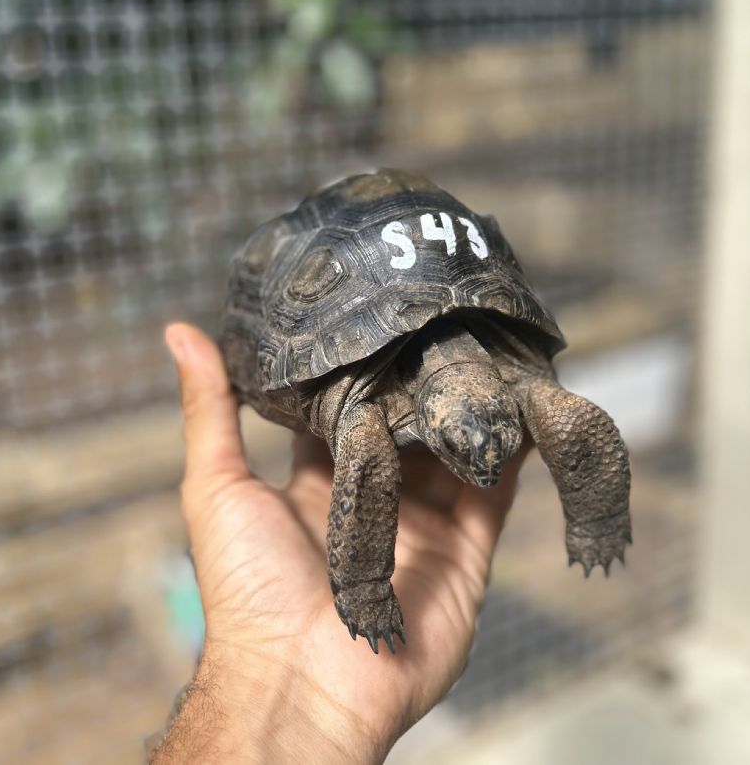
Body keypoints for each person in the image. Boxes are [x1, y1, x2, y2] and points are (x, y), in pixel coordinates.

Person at [151, 322, 526, 764]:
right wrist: (363, 589)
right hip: (332, 327)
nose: (486, 477)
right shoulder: (366, 418)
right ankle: (361, 585)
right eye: (453, 445)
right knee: (369, 450)